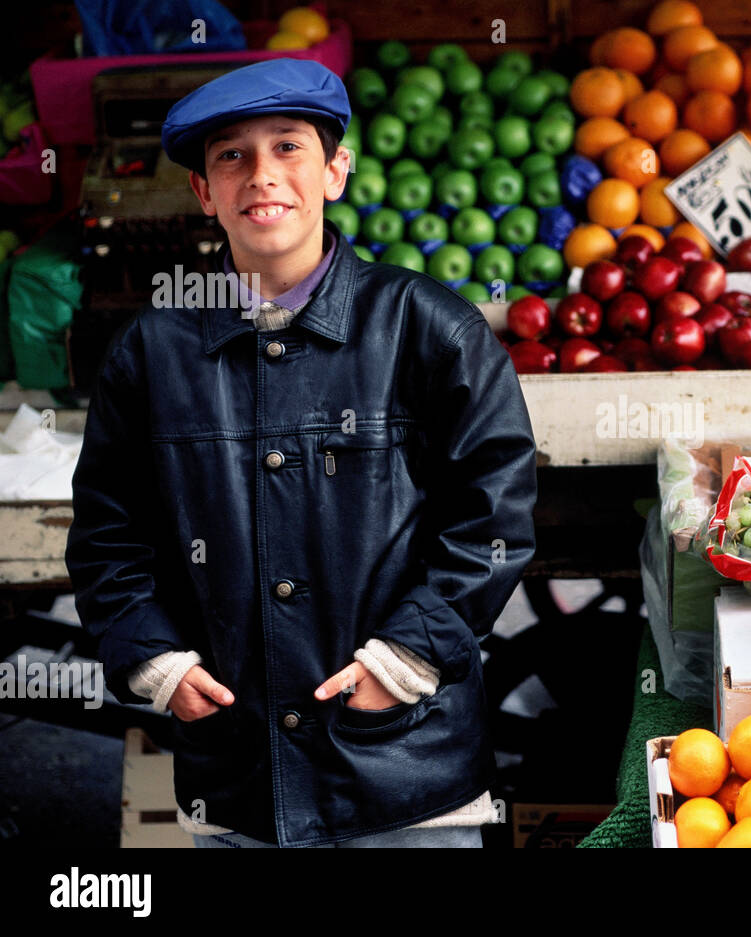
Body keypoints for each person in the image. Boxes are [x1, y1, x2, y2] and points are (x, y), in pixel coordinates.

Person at [65, 59, 537, 847]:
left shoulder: (428, 327)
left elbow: (494, 517)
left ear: (336, 171)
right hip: (237, 778)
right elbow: (109, 537)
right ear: (203, 193)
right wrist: (159, 664)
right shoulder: (151, 354)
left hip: (407, 775)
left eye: (288, 147)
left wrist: (404, 660)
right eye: (231, 157)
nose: (262, 176)